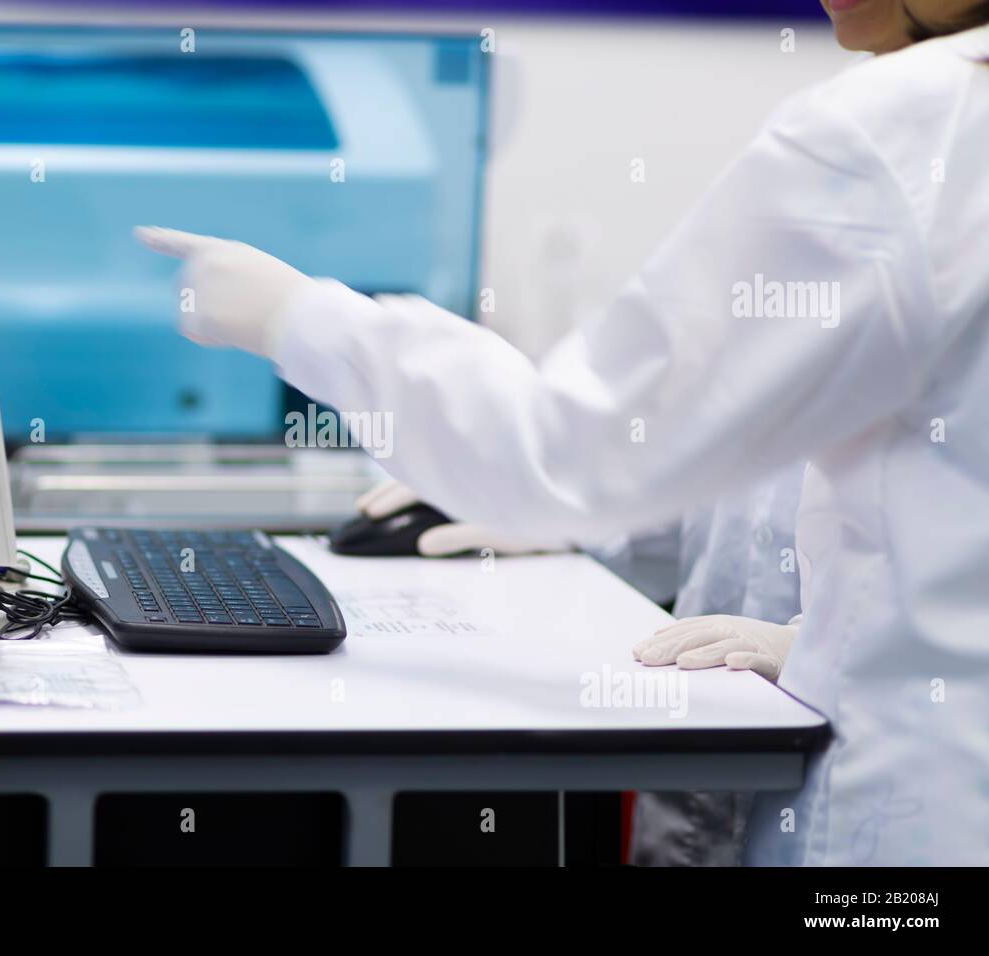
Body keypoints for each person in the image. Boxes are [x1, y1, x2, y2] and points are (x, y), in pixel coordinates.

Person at [137, 4, 989, 865]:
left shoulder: (909, 128)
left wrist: (300, 318)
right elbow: (832, 454)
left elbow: (578, 447)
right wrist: (606, 521)